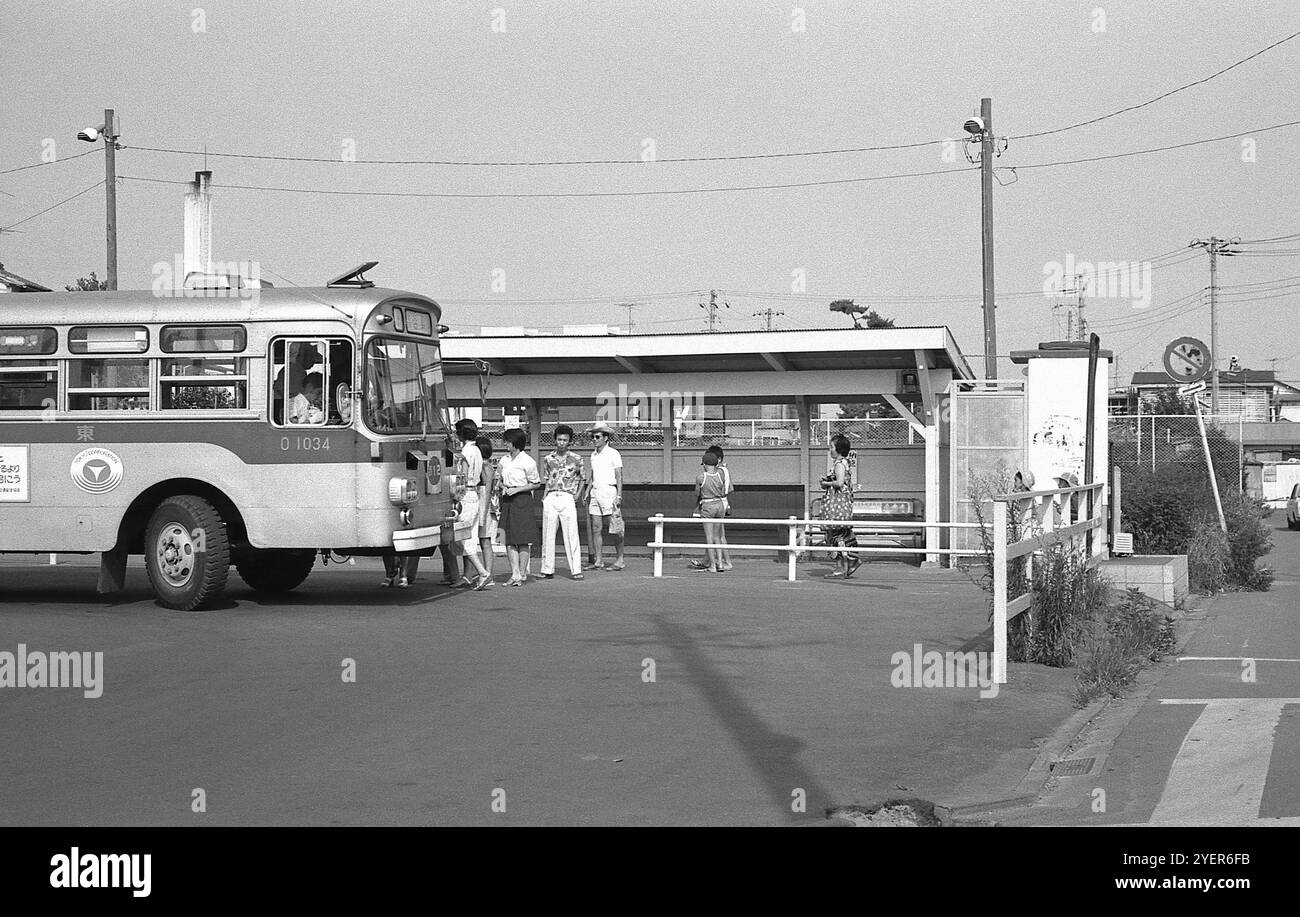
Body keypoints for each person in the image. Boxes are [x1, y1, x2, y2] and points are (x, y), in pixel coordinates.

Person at [451, 418, 493, 590]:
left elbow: (463, 475)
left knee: (462, 538)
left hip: (465, 495)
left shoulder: (466, 452)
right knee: (470, 537)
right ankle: (478, 574)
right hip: (474, 494)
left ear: (461, 433)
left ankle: (483, 572)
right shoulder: (476, 449)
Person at [540, 424, 586, 580]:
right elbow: (547, 479)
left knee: (572, 533)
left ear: (569, 442)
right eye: (559, 439)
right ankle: (547, 568)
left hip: (567, 496)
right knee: (548, 533)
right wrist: (545, 496)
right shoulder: (548, 459)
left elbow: (582, 479)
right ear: (555, 440)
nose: (561, 442)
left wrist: (577, 495)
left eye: (565, 440)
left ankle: (576, 569)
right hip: (552, 496)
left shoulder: (577, 459)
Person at [497, 427, 541, 586]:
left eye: (508, 441)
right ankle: (514, 572)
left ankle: (522, 573)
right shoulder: (504, 460)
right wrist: (503, 486)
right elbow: (499, 479)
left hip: (522, 500)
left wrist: (517, 489)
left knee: (522, 540)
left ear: (516, 443)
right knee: (508, 539)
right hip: (507, 500)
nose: (505, 444)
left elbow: (536, 483)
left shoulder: (528, 461)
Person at [583, 421, 625, 571]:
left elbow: (619, 475)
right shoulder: (593, 455)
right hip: (596, 491)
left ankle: (620, 559)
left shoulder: (614, 453)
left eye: (597, 436)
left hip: (609, 492)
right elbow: (593, 474)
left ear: (605, 438)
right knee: (596, 527)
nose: (594, 439)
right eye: (593, 437)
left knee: (615, 527)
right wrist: (588, 490)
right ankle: (598, 560)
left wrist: (619, 495)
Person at [819, 434, 862, 578]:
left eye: (831, 447)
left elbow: (839, 483)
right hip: (843, 503)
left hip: (836, 504)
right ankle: (851, 561)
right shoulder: (845, 462)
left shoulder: (839, 464)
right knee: (844, 533)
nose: (830, 450)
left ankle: (841, 566)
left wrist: (826, 484)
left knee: (833, 534)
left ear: (838, 449)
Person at [694, 450, 728, 573]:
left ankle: (712, 565)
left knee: (709, 537)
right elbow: (724, 490)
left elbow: (697, 493)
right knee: (717, 536)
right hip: (720, 505)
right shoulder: (721, 475)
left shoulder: (701, 477)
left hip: (708, 505)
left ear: (704, 464)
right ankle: (720, 563)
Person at [475, 434, 501, 583]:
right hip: (488, 509)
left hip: (484, 509)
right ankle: (486, 572)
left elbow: (486, 492)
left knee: (484, 542)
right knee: (485, 542)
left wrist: (483, 514)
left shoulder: (485, 468)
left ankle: (487, 573)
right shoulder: (489, 467)